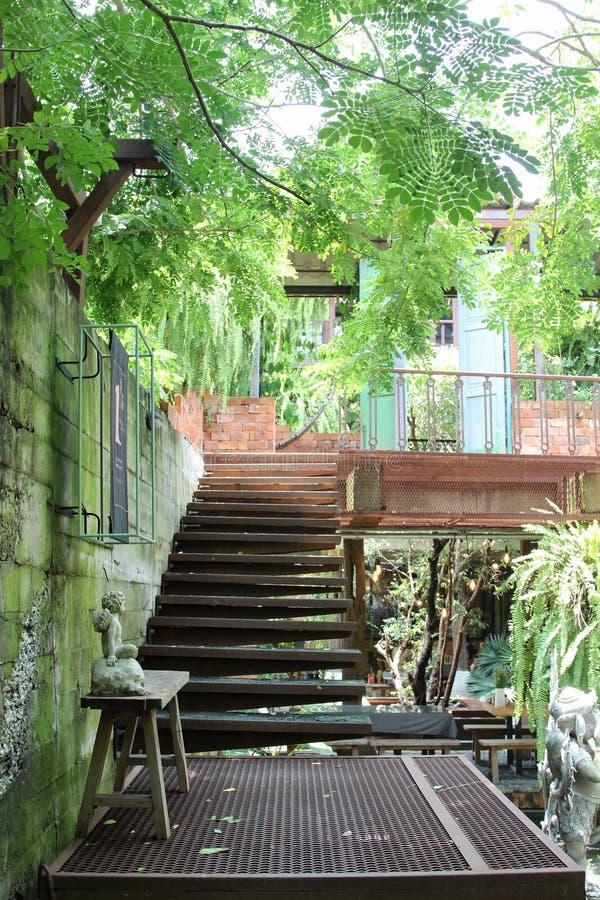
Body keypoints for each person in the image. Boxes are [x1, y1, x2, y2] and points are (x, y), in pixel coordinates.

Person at [541, 685, 600, 865]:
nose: (595, 715)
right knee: (576, 851)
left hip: (586, 805)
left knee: (579, 846)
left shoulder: (582, 744)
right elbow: (593, 775)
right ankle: (574, 877)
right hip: (575, 807)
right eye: (590, 712)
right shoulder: (572, 748)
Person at [92, 589, 138, 666]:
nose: (124, 608)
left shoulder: (114, 620)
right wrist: (111, 655)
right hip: (112, 650)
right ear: (117, 606)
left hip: (116, 647)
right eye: (123, 605)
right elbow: (110, 639)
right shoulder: (114, 621)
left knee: (133, 649)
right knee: (132, 648)